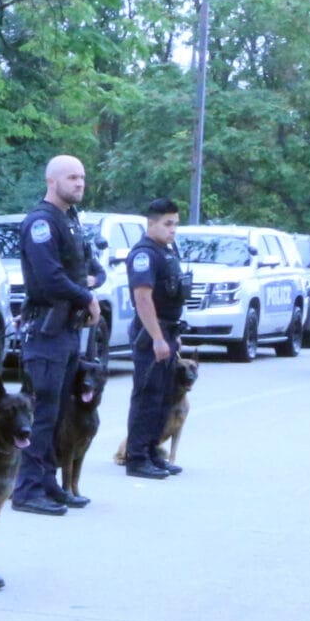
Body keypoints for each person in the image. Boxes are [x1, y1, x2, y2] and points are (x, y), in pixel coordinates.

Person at [10, 154, 102, 516]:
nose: (79, 183)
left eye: (82, 177)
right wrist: (85, 294)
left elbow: (92, 268)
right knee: (41, 412)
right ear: (52, 181)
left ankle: (48, 482)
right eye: (71, 177)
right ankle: (27, 490)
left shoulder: (71, 221)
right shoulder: (41, 223)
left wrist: (90, 284)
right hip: (46, 328)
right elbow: (49, 278)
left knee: (59, 410)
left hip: (67, 329)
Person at [120, 199, 187, 480]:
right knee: (147, 396)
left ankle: (151, 453)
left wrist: (173, 337)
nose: (173, 230)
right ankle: (136, 457)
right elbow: (143, 297)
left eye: (175, 224)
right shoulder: (145, 254)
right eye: (167, 224)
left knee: (162, 397)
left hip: (167, 330)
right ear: (151, 224)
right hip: (152, 333)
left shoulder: (166, 251)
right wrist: (158, 338)